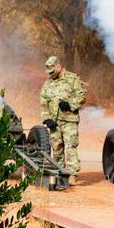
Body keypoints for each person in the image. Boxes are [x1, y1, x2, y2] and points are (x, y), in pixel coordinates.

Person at [39, 55, 86, 188]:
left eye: (52, 71)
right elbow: (43, 103)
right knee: (57, 148)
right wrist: (46, 118)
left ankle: (72, 174)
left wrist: (70, 104)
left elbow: (82, 96)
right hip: (54, 122)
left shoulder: (72, 79)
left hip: (69, 120)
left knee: (71, 146)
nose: (50, 74)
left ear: (58, 67)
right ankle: (59, 172)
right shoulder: (48, 83)